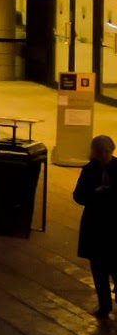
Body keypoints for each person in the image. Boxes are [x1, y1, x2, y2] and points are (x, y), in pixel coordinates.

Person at [74, 135, 117, 318]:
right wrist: (95, 193)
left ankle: (105, 306)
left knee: (100, 269)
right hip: (106, 226)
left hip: (98, 225)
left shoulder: (90, 170)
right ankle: (105, 305)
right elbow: (78, 196)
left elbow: (79, 196)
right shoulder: (90, 170)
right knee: (104, 268)